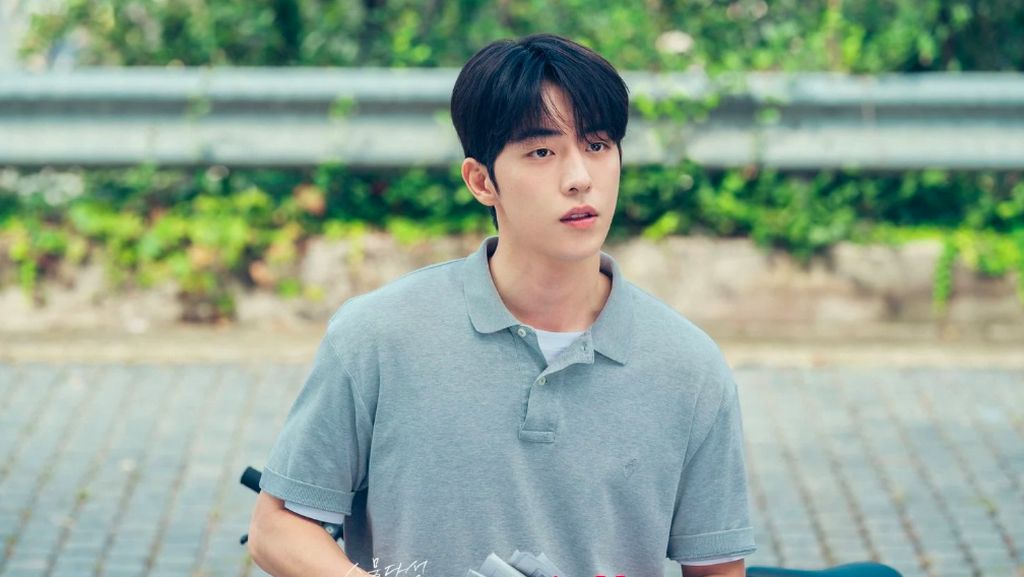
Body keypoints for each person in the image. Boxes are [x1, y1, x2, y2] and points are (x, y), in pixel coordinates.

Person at [247, 33, 755, 577]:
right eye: (542, 152)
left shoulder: (690, 367)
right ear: (481, 181)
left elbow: (718, 570)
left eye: (597, 145)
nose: (579, 178)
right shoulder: (377, 335)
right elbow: (278, 527)